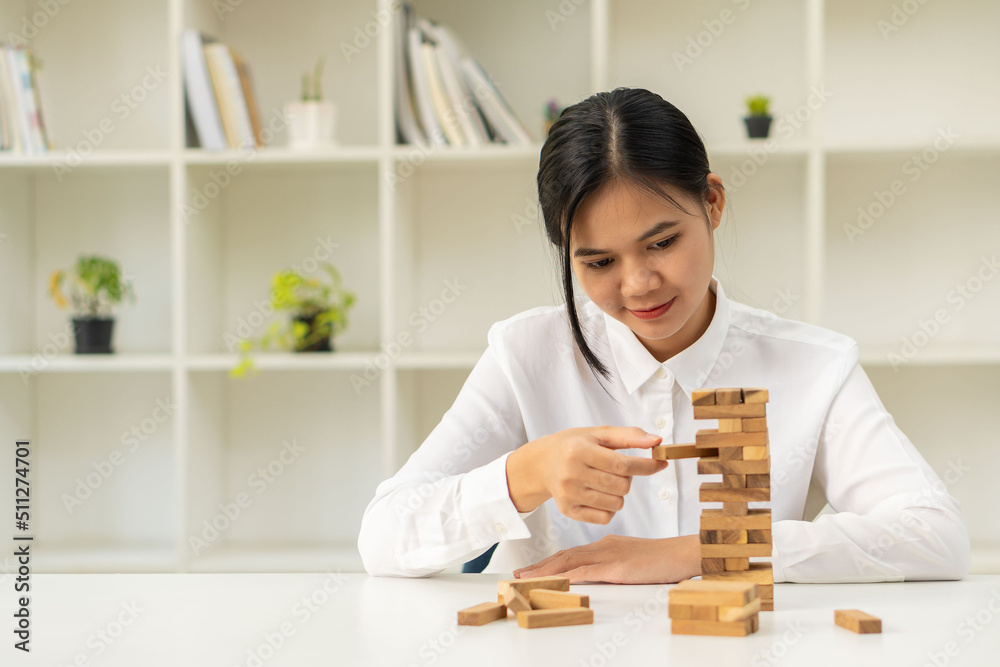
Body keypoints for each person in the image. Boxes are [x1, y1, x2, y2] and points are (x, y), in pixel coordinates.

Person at [358, 88, 970, 584]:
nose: (639, 284)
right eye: (599, 263)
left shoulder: (814, 366)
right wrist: (526, 473)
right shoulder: (526, 356)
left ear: (712, 202)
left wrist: (700, 553)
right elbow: (383, 535)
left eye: (662, 243)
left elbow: (934, 535)